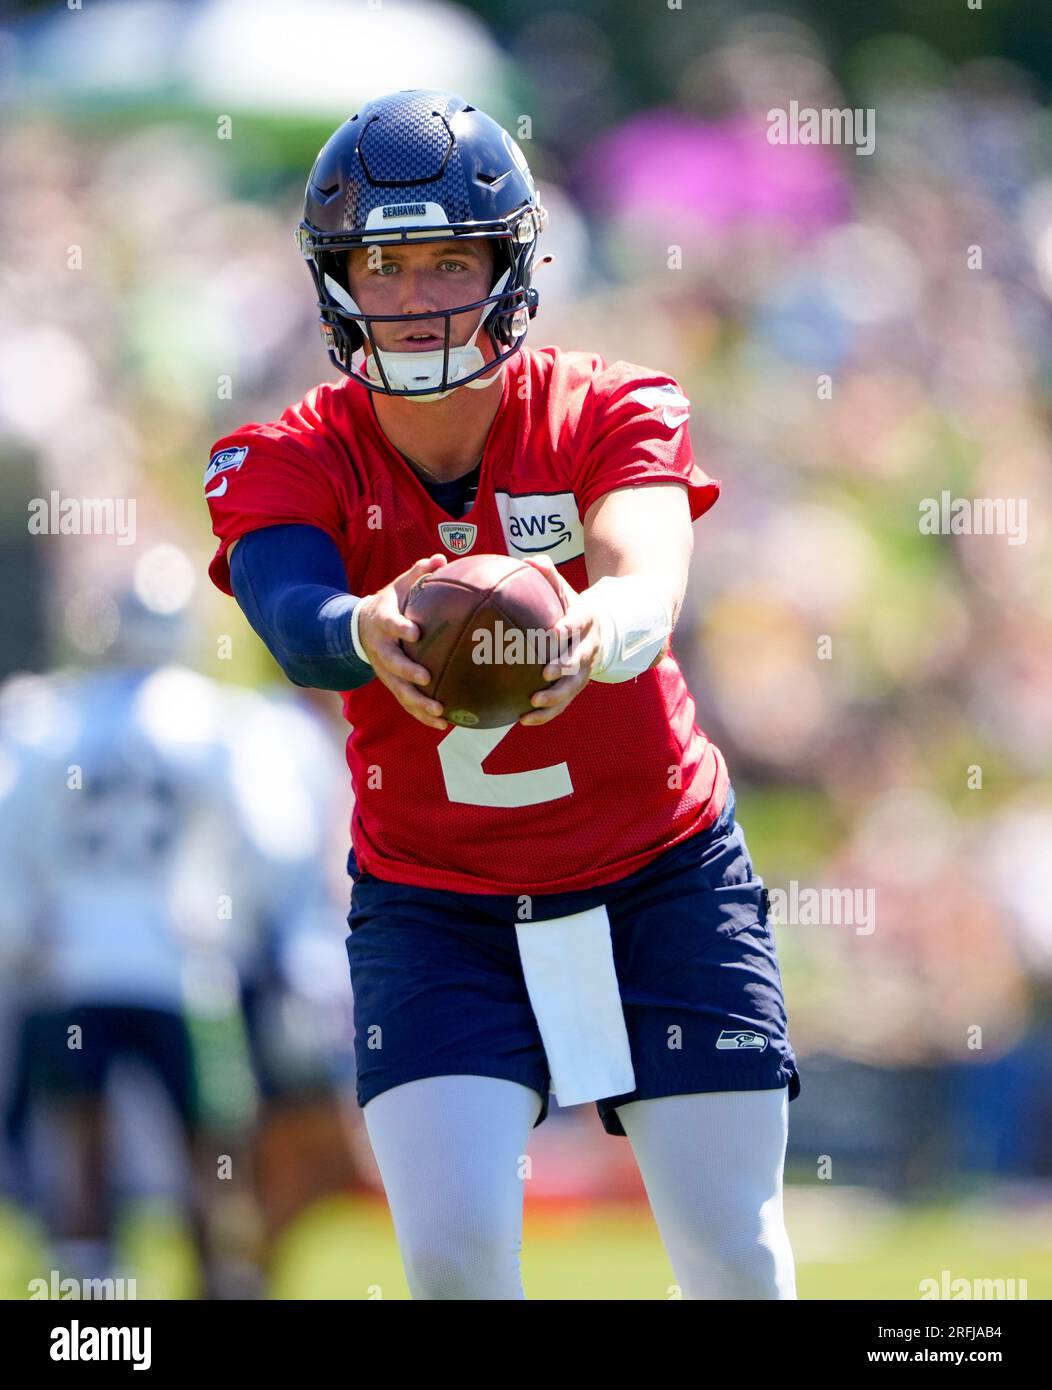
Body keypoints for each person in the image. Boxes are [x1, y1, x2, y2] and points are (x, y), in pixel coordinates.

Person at [204, 88, 801, 1300]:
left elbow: (649, 571)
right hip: (438, 904)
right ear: (336, 281)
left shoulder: (607, 404)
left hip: (660, 873)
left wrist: (596, 624)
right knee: (458, 1257)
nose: (419, 296)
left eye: (448, 260)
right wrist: (366, 626)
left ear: (510, 264)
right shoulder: (285, 457)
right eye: (386, 263)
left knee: (732, 1256)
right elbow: (290, 621)